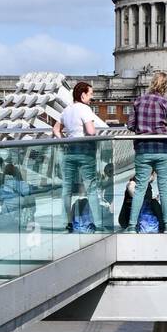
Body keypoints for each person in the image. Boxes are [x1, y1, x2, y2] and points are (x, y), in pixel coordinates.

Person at [128, 70, 167, 232]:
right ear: (166, 86)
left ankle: (131, 225)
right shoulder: (165, 103)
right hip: (162, 149)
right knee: (164, 188)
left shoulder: (138, 101)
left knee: (140, 188)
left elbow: (130, 126)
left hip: (143, 149)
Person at [53, 80, 105, 228]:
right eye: (90, 94)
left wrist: (63, 140)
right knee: (91, 188)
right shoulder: (85, 109)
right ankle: (98, 223)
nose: (91, 98)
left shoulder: (67, 110)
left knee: (67, 188)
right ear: (83, 95)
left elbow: (56, 129)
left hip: (69, 152)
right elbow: (90, 131)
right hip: (85, 152)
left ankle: (67, 222)